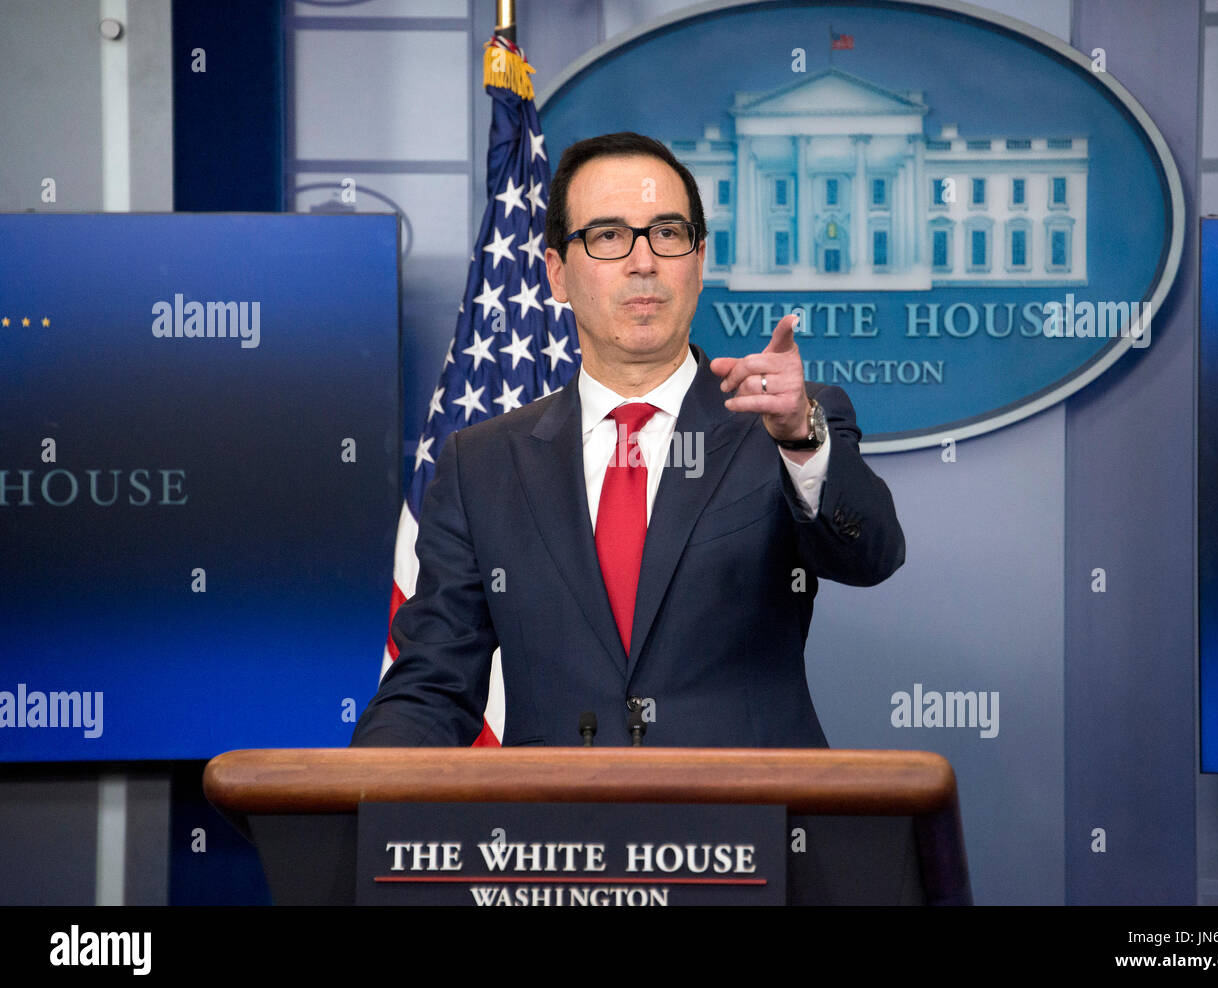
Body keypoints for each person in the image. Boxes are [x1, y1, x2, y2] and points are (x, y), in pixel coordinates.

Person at [352, 132, 904, 748]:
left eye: (667, 233)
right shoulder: (481, 464)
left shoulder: (788, 424)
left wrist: (802, 439)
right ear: (557, 273)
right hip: (555, 835)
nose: (643, 261)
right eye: (609, 236)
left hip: (752, 827)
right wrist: (354, 809)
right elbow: (432, 685)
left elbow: (870, 557)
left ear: (699, 261)